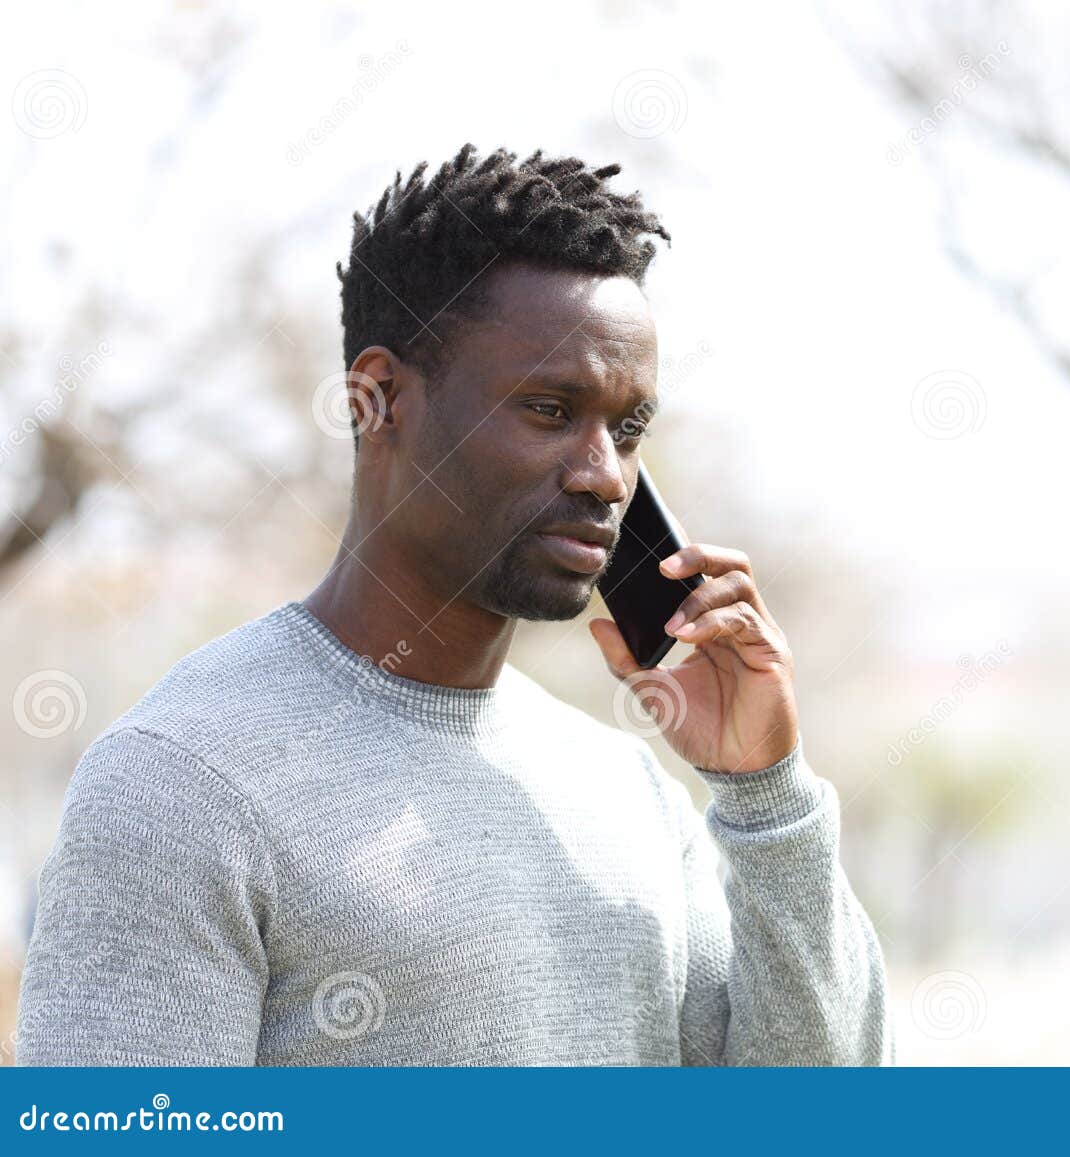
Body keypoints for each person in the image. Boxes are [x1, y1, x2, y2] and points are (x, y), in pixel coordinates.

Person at [16, 144, 893, 1066]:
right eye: (552, 409)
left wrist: (766, 793)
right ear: (379, 399)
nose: (606, 475)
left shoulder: (628, 794)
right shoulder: (180, 784)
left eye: (627, 428)